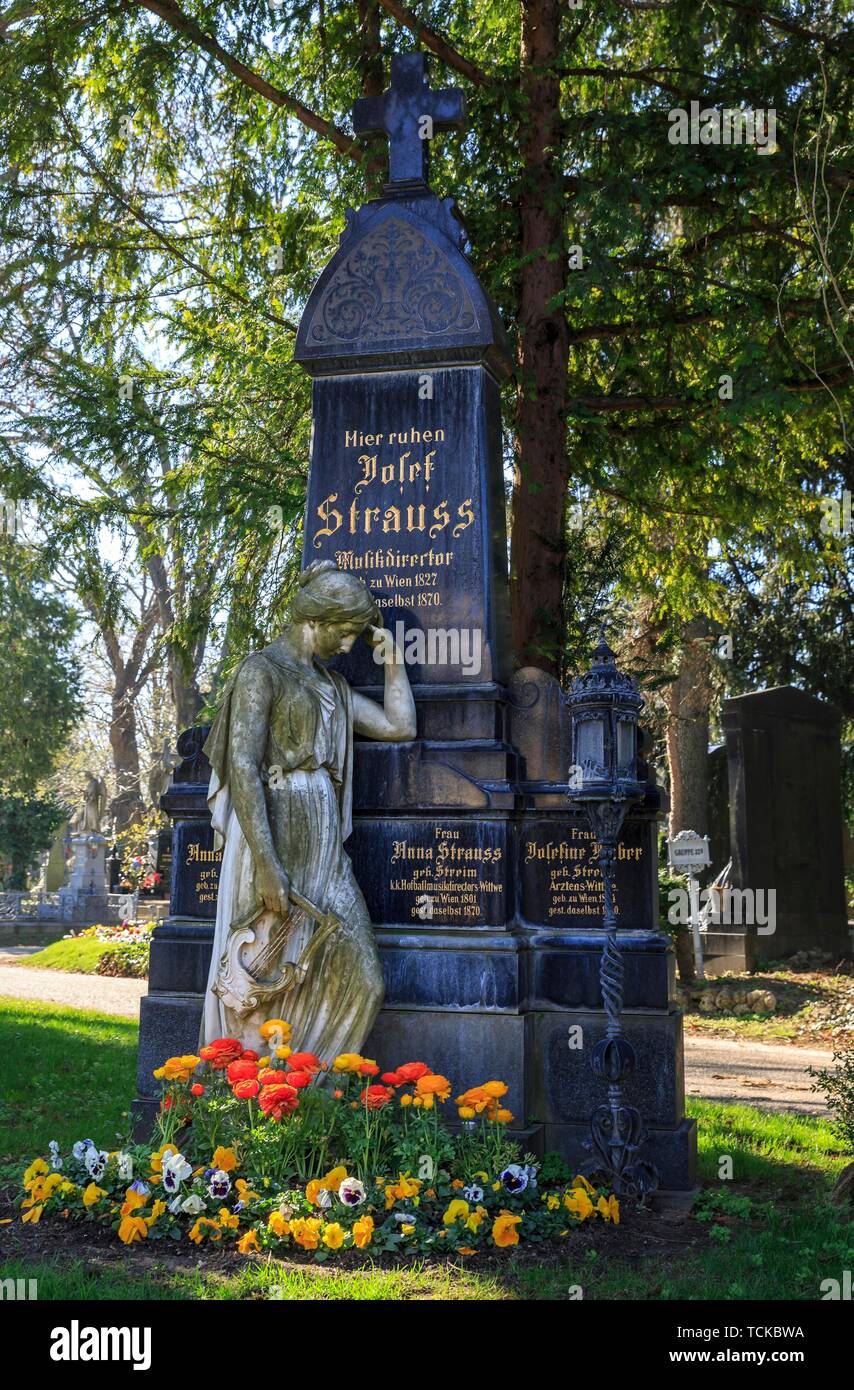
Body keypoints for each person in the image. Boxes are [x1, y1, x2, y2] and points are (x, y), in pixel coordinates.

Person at [200, 560, 416, 1057]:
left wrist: (394, 664)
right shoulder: (261, 671)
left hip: (321, 834)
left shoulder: (333, 687)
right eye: (344, 634)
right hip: (273, 831)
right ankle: (248, 1103)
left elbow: (399, 726)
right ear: (313, 621)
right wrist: (267, 866)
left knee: (365, 980)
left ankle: (309, 1094)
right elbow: (244, 766)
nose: (347, 647)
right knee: (257, 982)